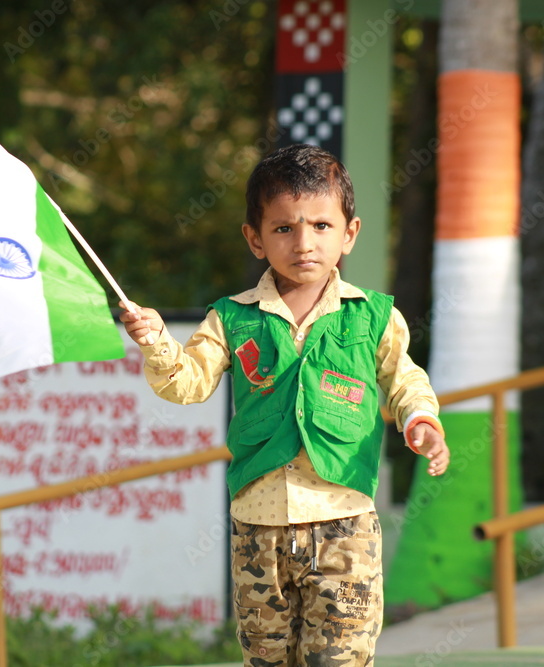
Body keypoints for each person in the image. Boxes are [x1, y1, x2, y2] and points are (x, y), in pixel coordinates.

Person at [120, 143, 448, 666]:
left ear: (349, 234)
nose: (304, 243)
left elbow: (404, 378)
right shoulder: (230, 318)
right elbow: (186, 384)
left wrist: (421, 420)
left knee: (340, 658)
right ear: (254, 238)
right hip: (258, 529)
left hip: (346, 522)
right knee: (267, 660)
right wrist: (156, 341)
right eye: (283, 228)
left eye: (321, 226)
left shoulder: (374, 316)